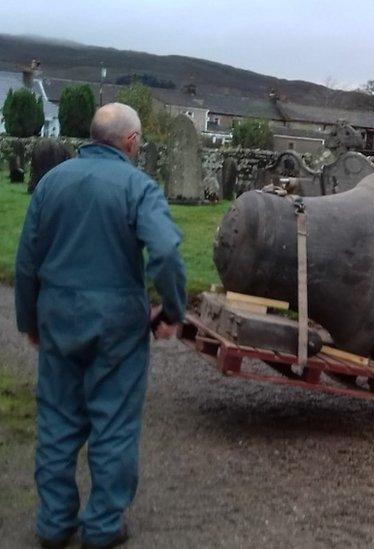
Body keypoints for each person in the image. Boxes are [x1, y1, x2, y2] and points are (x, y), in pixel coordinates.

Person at [15, 103, 186, 548]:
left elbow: (27, 258)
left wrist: (29, 320)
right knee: (113, 423)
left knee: (56, 420)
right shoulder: (138, 186)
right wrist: (171, 311)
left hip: (57, 315)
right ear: (131, 141)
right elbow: (165, 253)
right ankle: (103, 527)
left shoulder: (52, 182)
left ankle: (54, 524)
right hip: (118, 323)